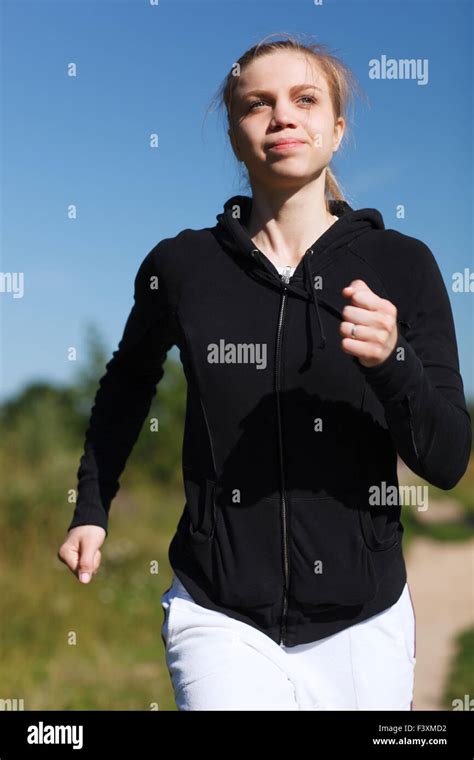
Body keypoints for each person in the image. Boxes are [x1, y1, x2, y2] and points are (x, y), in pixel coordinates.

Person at [57, 34, 471, 711]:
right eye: (258, 104)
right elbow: (127, 385)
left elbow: (448, 458)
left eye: (305, 100)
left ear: (336, 130)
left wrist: (392, 360)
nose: (282, 116)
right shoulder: (182, 267)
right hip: (219, 612)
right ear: (235, 132)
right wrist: (92, 509)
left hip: (364, 617)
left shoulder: (403, 265)